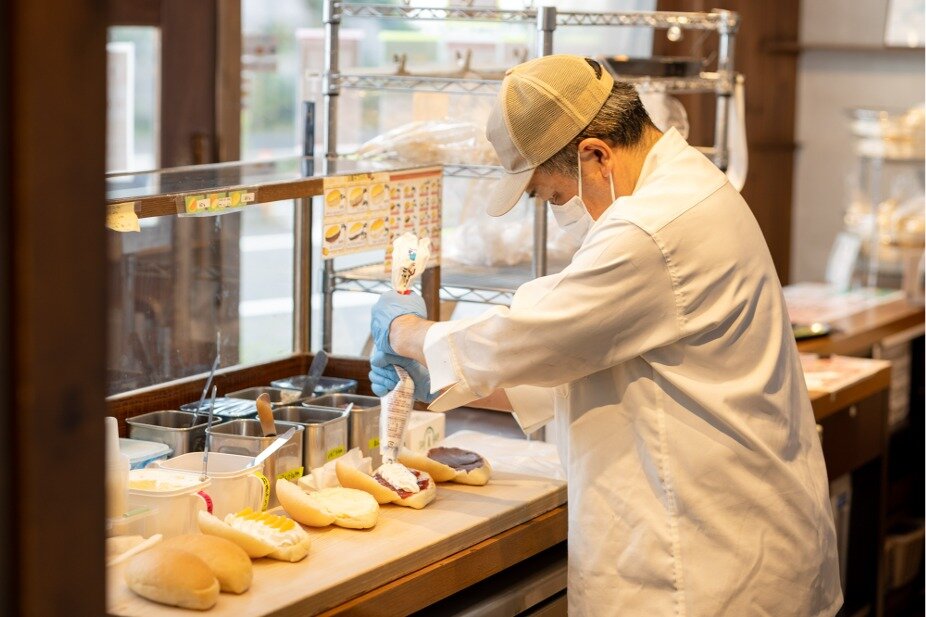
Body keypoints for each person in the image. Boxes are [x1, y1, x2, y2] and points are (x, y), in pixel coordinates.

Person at [369, 55, 842, 615]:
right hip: (741, 538)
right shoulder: (686, 183)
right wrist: (440, 374)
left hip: (705, 567)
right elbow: (585, 354)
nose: (560, 212)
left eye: (554, 196)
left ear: (595, 154)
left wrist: (406, 332)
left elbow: (536, 337)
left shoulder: (651, 228)